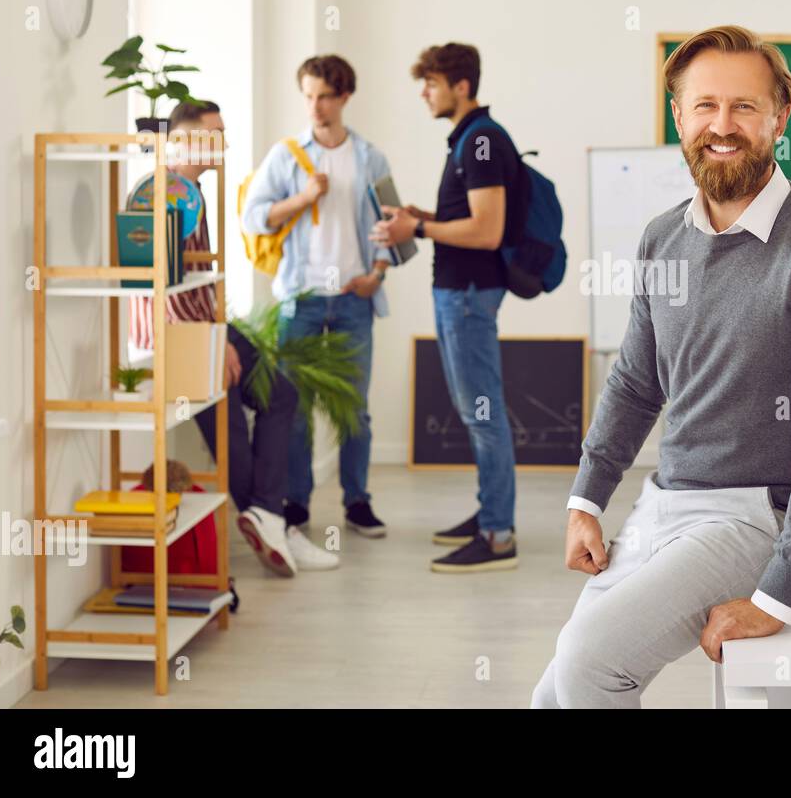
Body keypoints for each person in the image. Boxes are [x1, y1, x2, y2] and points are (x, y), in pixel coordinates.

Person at [529, 25, 791, 708]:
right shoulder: (664, 238)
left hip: (752, 516)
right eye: (706, 106)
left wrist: (780, 596)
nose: (723, 126)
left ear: (780, 117)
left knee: (586, 665)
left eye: (745, 107)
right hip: (663, 503)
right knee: (555, 693)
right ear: (679, 116)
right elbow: (636, 381)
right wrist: (586, 499)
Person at [129, 101, 337, 574]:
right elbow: (163, 288)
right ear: (183, 140)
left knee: (280, 394)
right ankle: (275, 524)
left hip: (208, 328)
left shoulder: (194, 192)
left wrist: (220, 332)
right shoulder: (164, 193)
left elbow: (200, 277)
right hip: (180, 338)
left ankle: (268, 515)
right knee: (230, 437)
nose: (222, 144)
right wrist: (211, 340)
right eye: (213, 135)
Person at [372, 43, 522, 573]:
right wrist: (425, 216)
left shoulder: (480, 142)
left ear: (461, 86)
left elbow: (487, 230)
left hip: (467, 294)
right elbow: (470, 217)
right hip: (460, 292)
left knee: (482, 413)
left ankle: (498, 535)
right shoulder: (470, 139)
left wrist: (416, 227)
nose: (424, 93)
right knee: (477, 409)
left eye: (432, 83)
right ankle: (490, 514)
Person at [241, 55, 391, 538]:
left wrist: (377, 275)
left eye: (324, 96)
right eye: (308, 96)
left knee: (355, 408)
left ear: (344, 96)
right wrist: (303, 199)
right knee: (295, 406)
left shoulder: (370, 158)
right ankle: (296, 501)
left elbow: (393, 229)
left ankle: (358, 502)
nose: (315, 106)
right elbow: (253, 218)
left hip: (353, 298)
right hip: (301, 300)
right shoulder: (287, 155)